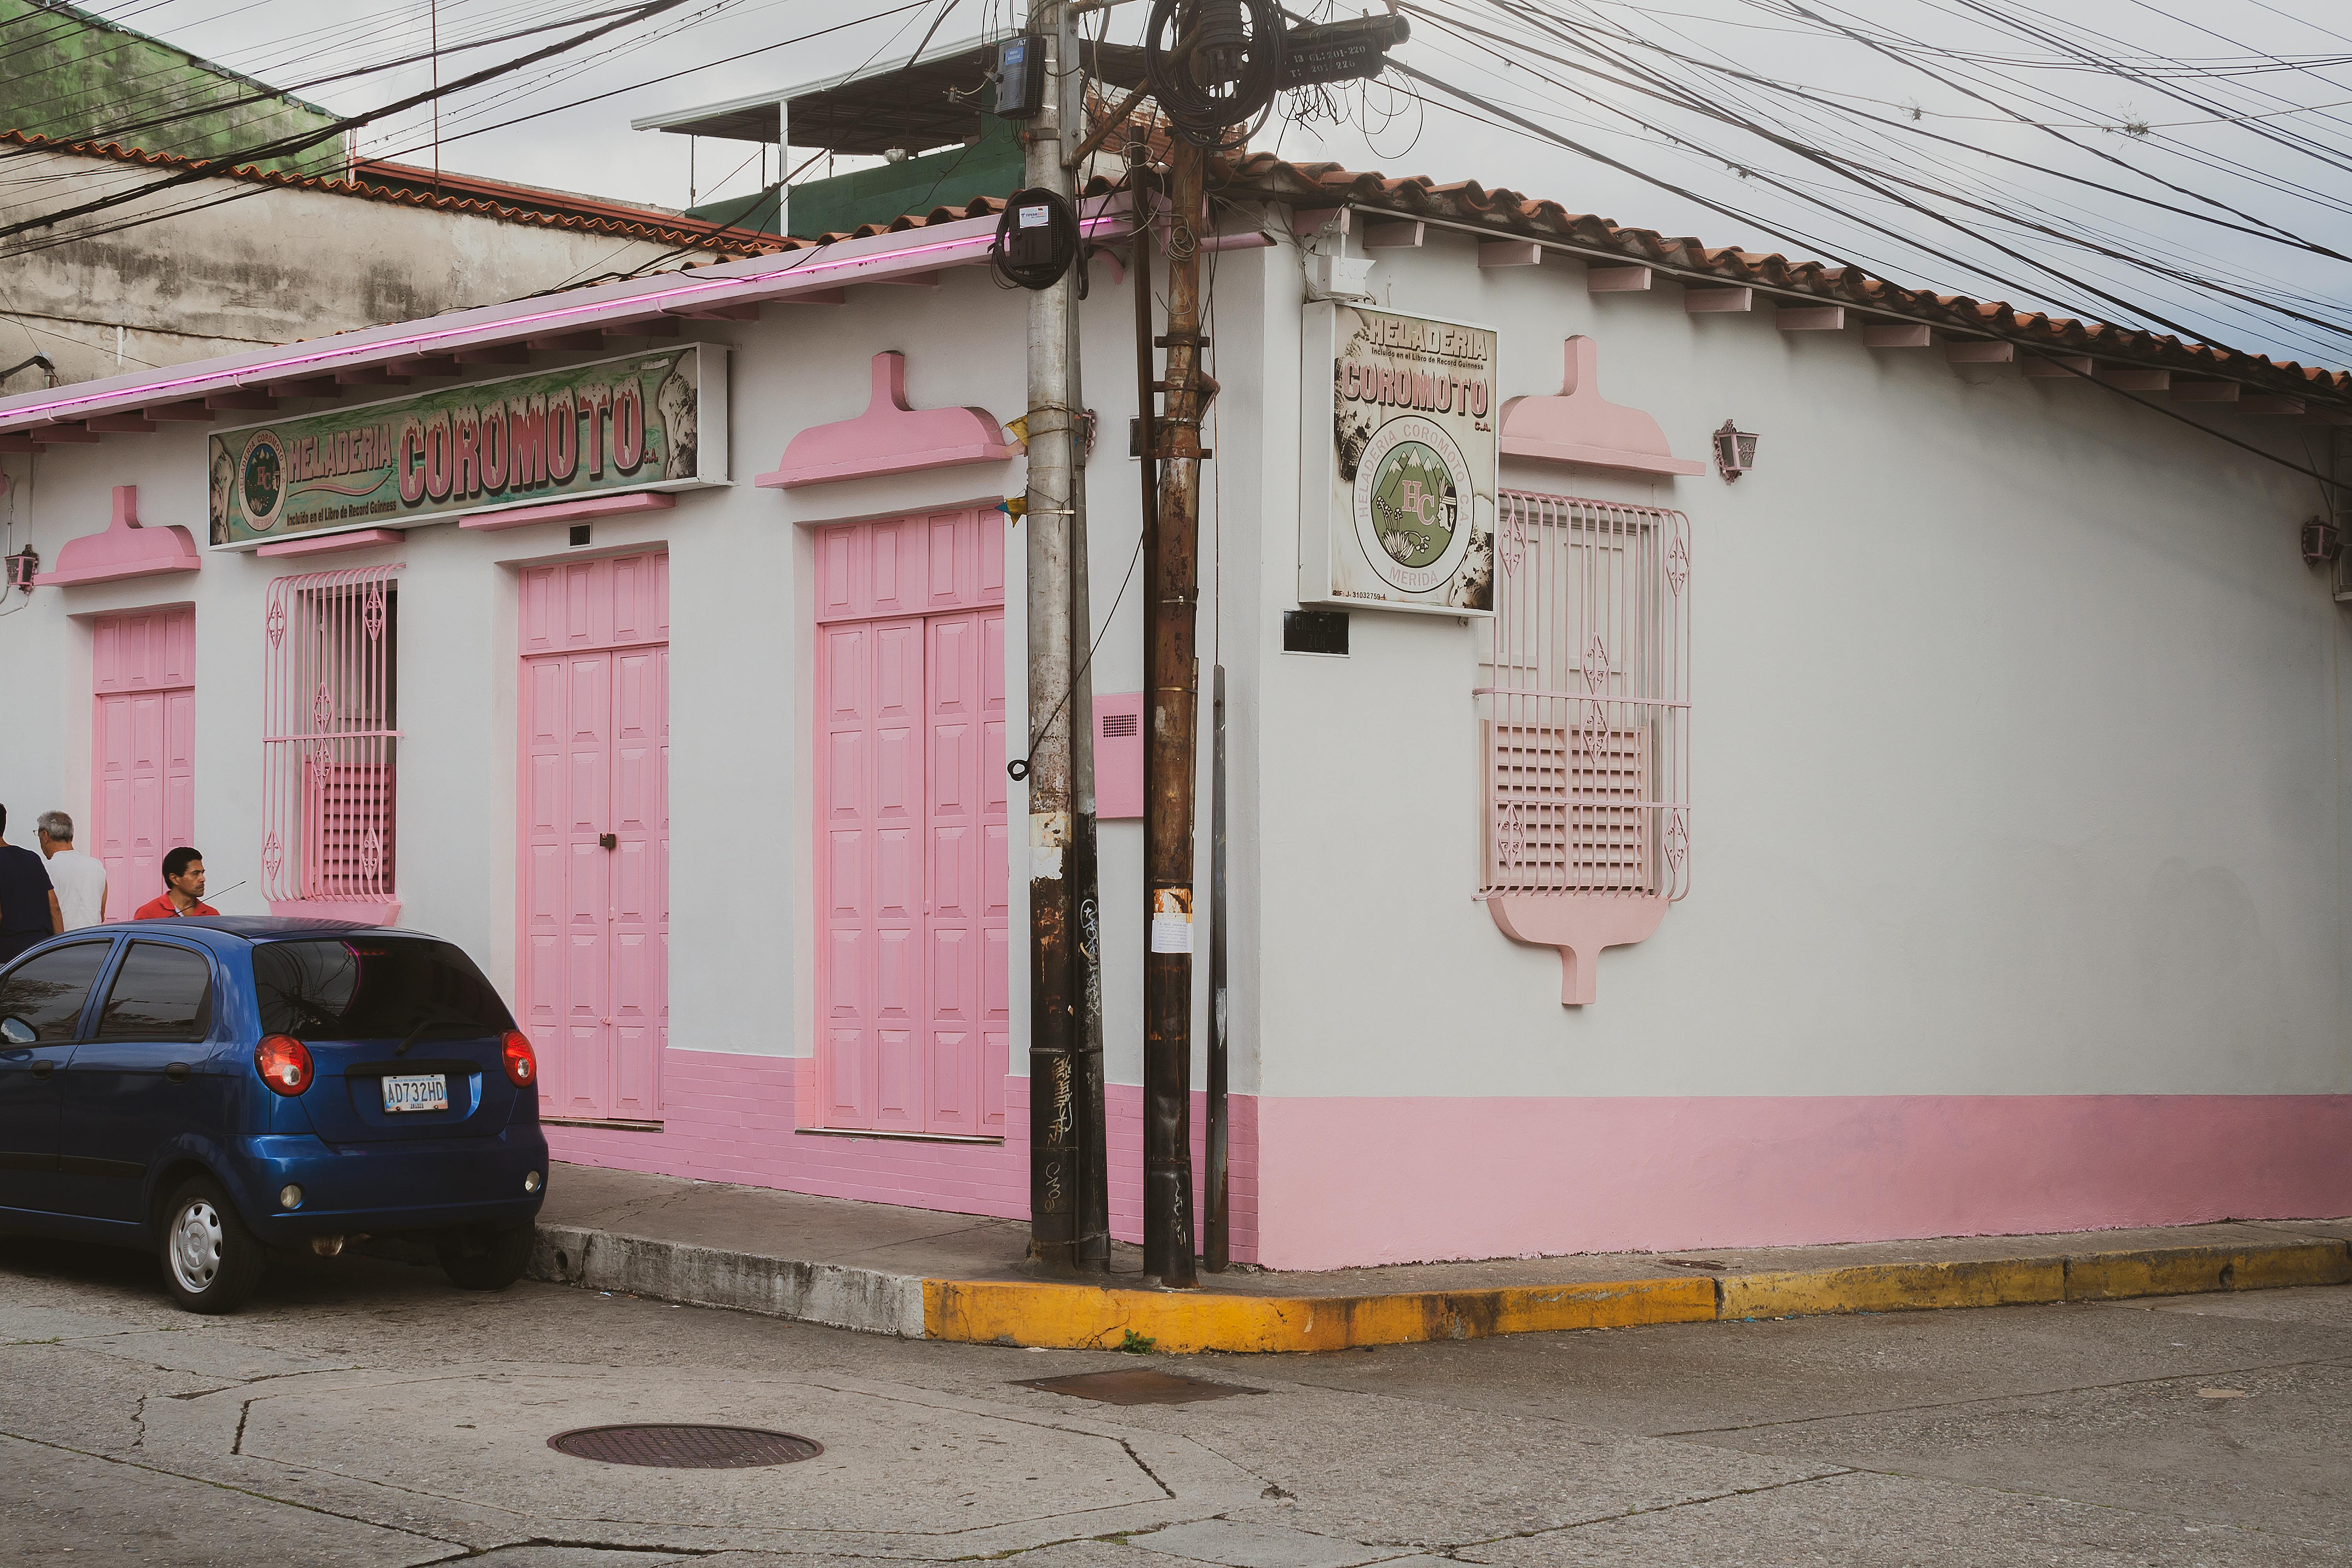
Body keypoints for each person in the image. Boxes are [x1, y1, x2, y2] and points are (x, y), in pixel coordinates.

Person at [0, 803, 64, 963]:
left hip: (8, 957)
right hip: (40, 950)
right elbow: (55, 908)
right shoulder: (32, 858)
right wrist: (60, 950)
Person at [36, 811, 108, 930]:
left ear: (45, 836)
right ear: (71, 836)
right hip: (94, 942)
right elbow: (101, 915)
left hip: (63, 944)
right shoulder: (97, 867)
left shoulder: (45, 869)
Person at [134, 847, 218, 920]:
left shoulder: (211, 915)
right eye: (195, 874)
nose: (203, 879)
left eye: (202, 873)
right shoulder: (148, 914)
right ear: (175, 879)